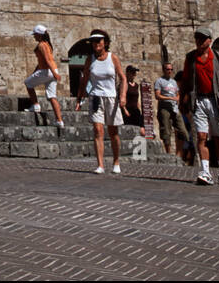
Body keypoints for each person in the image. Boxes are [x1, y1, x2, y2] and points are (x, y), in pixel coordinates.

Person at [181, 26, 219, 186]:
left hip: (217, 101)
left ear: (209, 41)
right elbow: (185, 80)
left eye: (202, 38)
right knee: (202, 136)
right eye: (197, 38)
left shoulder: (218, 58)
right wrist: (182, 98)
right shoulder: (190, 58)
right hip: (198, 100)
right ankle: (205, 171)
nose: (198, 41)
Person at [75, 30, 126, 175]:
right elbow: (84, 80)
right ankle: (100, 165)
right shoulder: (90, 60)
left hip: (111, 98)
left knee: (113, 132)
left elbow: (122, 78)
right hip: (96, 97)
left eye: (99, 40)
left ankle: (116, 161)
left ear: (106, 43)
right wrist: (80, 98)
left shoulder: (113, 58)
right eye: (93, 41)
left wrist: (122, 96)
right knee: (98, 130)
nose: (96, 44)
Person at [23, 25, 64, 128]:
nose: (34, 37)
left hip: (47, 71)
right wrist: (36, 71)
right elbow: (42, 61)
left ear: (39, 35)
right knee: (52, 96)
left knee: (28, 83)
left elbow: (47, 60)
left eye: (35, 35)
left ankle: (36, 105)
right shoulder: (48, 44)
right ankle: (59, 121)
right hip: (52, 70)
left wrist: (54, 74)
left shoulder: (41, 45)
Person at [154, 61, 189, 157]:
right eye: (167, 69)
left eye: (171, 69)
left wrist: (177, 98)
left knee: (183, 131)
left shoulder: (173, 82)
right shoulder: (159, 81)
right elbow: (157, 95)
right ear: (163, 70)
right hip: (164, 108)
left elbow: (177, 93)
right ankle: (168, 154)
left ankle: (183, 152)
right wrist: (169, 98)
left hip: (174, 108)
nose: (169, 71)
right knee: (166, 130)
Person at [122, 65, 146, 135]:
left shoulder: (136, 85)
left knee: (141, 130)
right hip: (128, 110)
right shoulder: (124, 84)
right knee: (129, 132)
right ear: (127, 73)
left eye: (135, 72)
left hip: (136, 111)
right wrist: (124, 110)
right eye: (132, 72)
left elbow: (136, 99)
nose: (134, 74)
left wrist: (139, 110)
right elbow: (121, 98)